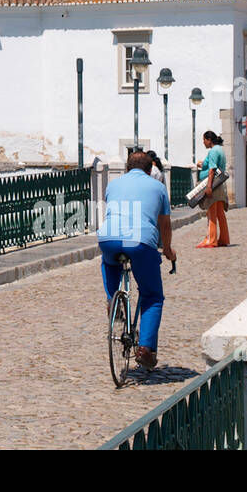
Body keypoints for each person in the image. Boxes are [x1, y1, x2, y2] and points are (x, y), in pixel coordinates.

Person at [99, 149, 175, 370]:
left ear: (126, 168)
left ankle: (112, 299)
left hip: (109, 238)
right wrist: (168, 249)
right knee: (152, 296)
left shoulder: (113, 185)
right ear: (151, 169)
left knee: (109, 261)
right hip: (140, 242)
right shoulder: (159, 187)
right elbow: (165, 225)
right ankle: (146, 349)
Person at [195, 131, 230, 248]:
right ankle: (224, 238)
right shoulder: (220, 150)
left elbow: (212, 170)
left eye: (204, 140)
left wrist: (209, 187)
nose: (203, 142)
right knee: (220, 213)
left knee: (211, 213)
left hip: (213, 185)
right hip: (219, 184)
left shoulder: (213, 151)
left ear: (209, 140)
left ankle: (211, 240)